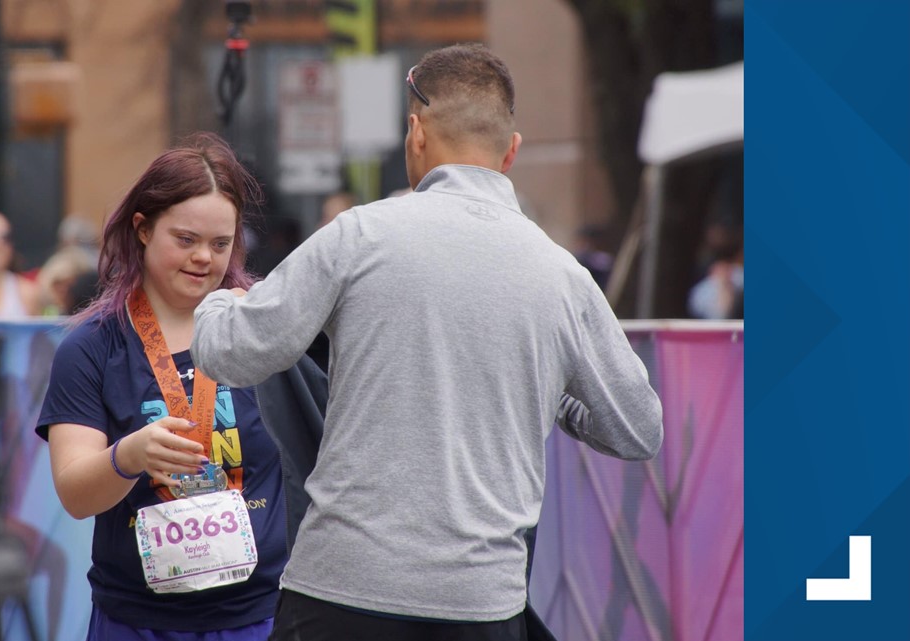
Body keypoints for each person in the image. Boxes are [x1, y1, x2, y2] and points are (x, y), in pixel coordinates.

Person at [190, 44, 663, 641]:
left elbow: (232, 352)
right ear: (511, 151)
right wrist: (550, 388)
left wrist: (219, 300)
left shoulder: (359, 236)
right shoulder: (562, 275)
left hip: (343, 590)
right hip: (482, 604)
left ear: (416, 132)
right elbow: (638, 429)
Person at [35, 132, 327, 641]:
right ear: (143, 229)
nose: (203, 259)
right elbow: (76, 495)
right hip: (137, 621)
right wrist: (128, 456)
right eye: (186, 240)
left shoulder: (266, 328)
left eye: (220, 244)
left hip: (261, 616)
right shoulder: (92, 347)